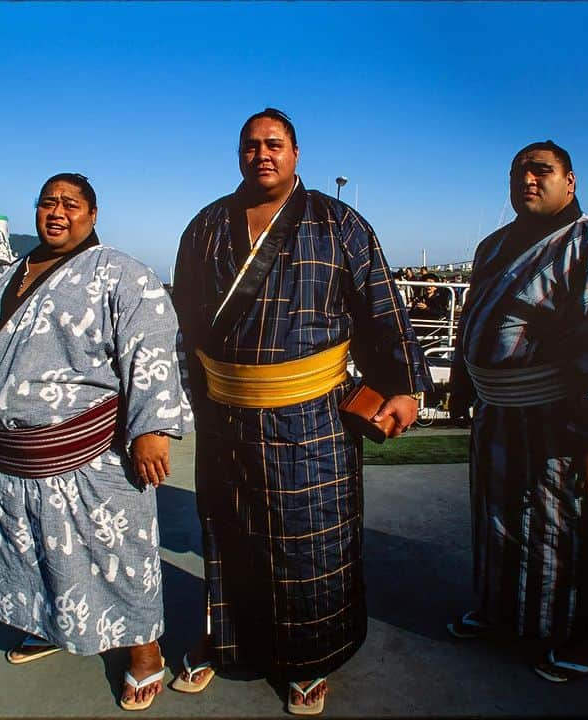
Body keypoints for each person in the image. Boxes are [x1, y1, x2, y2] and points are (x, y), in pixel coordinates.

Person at [171, 108, 432, 715]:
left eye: (274, 144)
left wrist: (406, 386)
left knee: (309, 543)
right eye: (251, 145)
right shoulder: (206, 227)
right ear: (238, 154)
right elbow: (182, 323)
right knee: (231, 533)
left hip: (312, 417)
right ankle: (229, 643)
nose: (262, 154)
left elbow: (382, 313)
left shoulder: (340, 225)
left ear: (295, 153)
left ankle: (310, 662)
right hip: (226, 414)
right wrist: (179, 399)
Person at [0, 173, 191, 711]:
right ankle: (52, 625)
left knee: (116, 556)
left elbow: (150, 350)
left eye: (70, 203)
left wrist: (153, 430)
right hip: (13, 460)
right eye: (47, 202)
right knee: (33, 551)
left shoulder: (121, 273)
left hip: (88, 454)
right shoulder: (12, 274)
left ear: (92, 214)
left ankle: (144, 653)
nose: (56, 212)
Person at [447, 140, 588, 683]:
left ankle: (579, 638)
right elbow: (475, 319)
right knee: (496, 523)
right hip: (498, 414)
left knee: (568, 528)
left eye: (541, 170)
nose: (528, 180)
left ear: (570, 179)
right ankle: (501, 615)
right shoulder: (493, 247)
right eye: (518, 172)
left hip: (559, 419)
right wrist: (465, 388)